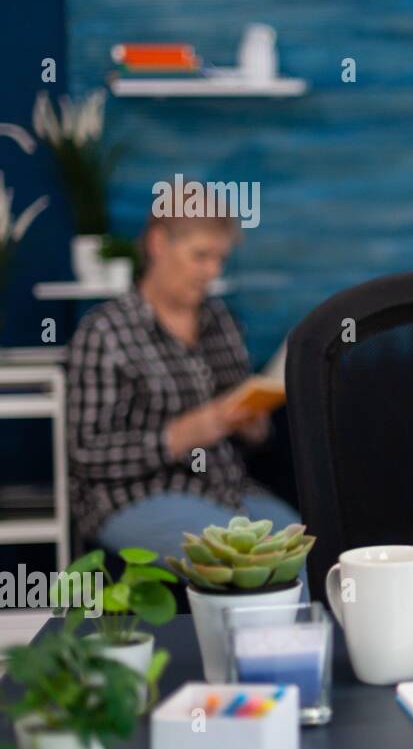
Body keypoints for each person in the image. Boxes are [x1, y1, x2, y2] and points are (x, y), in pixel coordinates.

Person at [66, 183, 303, 593]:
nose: (212, 272)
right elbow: (87, 453)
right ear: (158, 243)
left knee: (299, 546)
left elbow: (252, 430)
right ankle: (248, 654)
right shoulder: (105, 331)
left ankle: (291, 653)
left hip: (227, 490)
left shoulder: (220, 321)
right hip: (135, 497)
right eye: (200, 256)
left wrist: (252, 423)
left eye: (219, 259)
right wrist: (181, 435)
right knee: (247, 555)